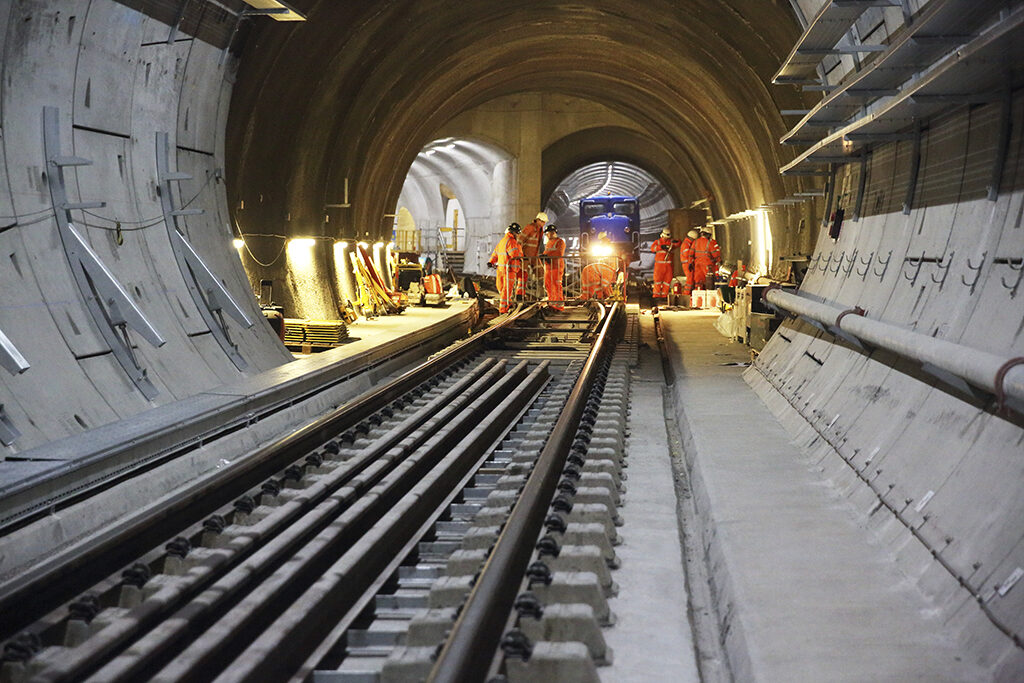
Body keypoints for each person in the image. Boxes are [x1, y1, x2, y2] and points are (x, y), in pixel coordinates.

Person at [488, 222, 525, 314]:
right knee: (507, 290)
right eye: (517, 233)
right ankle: (503, 309)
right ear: (515, 233)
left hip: (501, 269)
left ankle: (507, 304)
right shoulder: (512, 241)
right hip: (510, 270)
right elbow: (515, 255)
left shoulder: (502, 241)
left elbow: (495, 253)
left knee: (501, 288)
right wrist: (521, 255)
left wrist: (491, 262)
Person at [580, 233, 618, 300]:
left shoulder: (610, 247)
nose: (602, 241)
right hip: (602, 268)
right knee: (600, 284)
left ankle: (604, 297)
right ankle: (601, 297)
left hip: (609, 268)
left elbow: (612, 259)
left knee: (604, 284)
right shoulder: (601, 246)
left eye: (603, 239)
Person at [541, 224, 565, 311]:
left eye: (549, 233)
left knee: (556, 285)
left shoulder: (560, 241)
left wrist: (547, 257)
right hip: (549, 268)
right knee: (549, 285)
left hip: (556, 267)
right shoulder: (549, 243)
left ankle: (559, 306)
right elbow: (547, 252)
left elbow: (559, 253)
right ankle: (552, 304)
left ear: (554, 233)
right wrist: (543, 256)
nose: (548, 235)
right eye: (547, 233)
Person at [520, 212, 547, 289]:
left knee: (541, 272)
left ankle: (543, 291)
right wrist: (520, 254)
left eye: (544, 222)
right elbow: (520, 240)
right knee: (523, 275)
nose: (543, 224)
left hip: (534, 255)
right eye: (542, 222)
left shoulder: (540, 230)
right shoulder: (530, 228)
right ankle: (520, 294)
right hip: (525, 255)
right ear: (537, 220)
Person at [650, 228, 677, 298]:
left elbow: (678, 243)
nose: (666, 239)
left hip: (668, 265)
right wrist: (661, 247)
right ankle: (656, 295)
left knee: (667, 281)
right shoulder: (658, 242)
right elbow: (652, 248)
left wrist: (676, 241)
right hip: (659, 265)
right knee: (658, 280)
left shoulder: (671, 242)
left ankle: (664, 295)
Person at [691, 228, 720, 293]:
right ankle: (708, 298)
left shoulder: (695, 242)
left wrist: (690, 263)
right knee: (708, 282)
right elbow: (715, 254)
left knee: (698, 282)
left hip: (697, 265)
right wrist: (718, 260)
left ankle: (698, 297)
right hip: (707, 265)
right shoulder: (710, 242)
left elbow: (691, 254)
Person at [680, 229, 698, 297]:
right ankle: (686, 295)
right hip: (687, 264)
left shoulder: (688, 243)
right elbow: (687, 254)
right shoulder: (686, 244)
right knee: (689, 280)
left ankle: (689, 294)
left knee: (692, 279)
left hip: (689, 264)